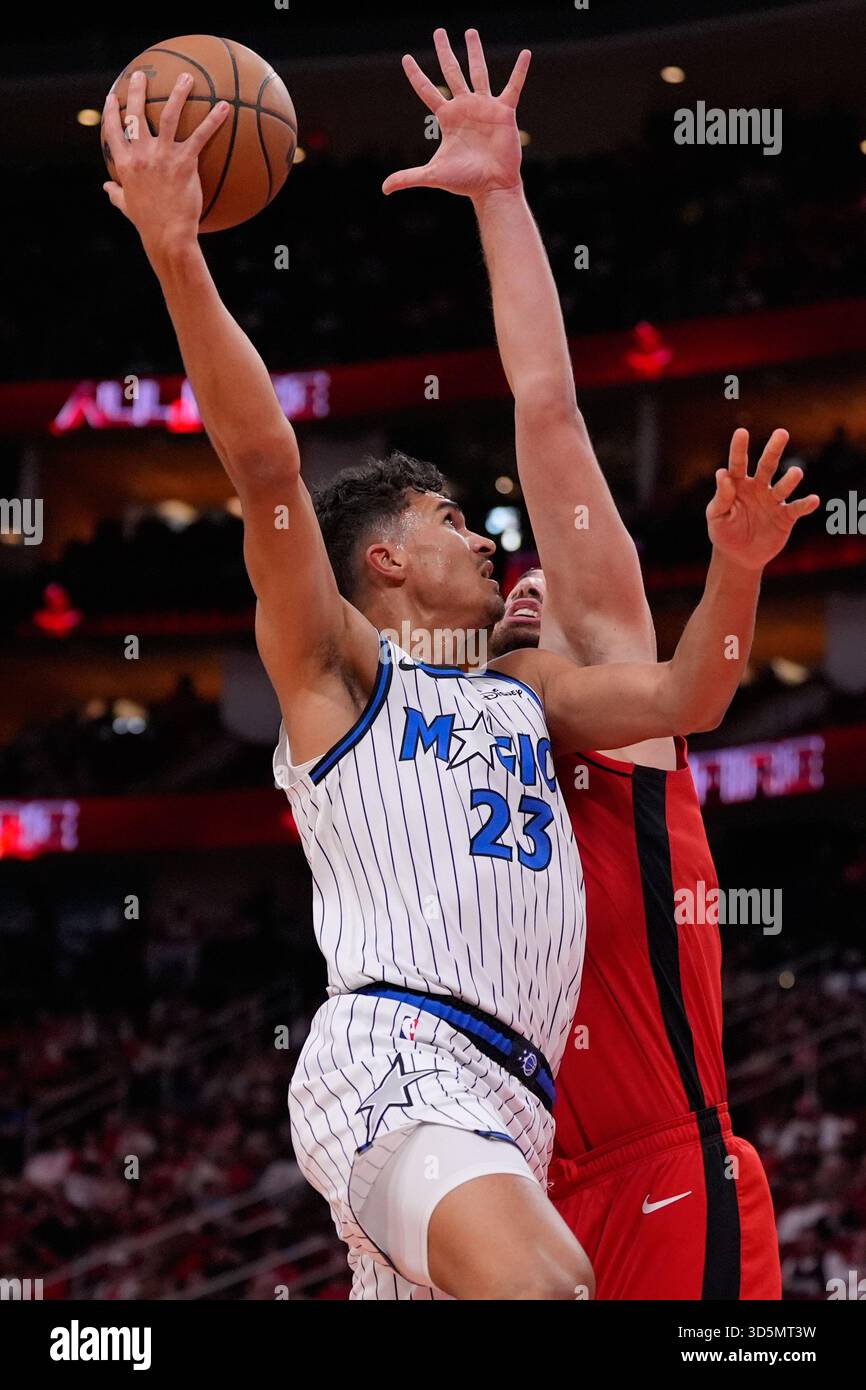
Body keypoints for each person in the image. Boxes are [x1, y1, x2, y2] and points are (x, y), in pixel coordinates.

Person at [102, 47, 815, 1300]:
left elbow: (561, 438)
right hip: (419, 1078)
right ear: (383, 560)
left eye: (516, 550)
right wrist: (176, 250)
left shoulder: (545, 694)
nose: (501, 550)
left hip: (528, 1130)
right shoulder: (354, 670)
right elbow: (269, 469)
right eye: (460, 528)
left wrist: (737, 570)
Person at [387, 27, 799, 1297]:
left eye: (538, 589)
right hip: (519, 1190)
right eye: (490, 578)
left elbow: (546, 404)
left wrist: (503, 198)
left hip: (668, 1177)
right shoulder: (442, 764)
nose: (519, 587)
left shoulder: (610, 707)